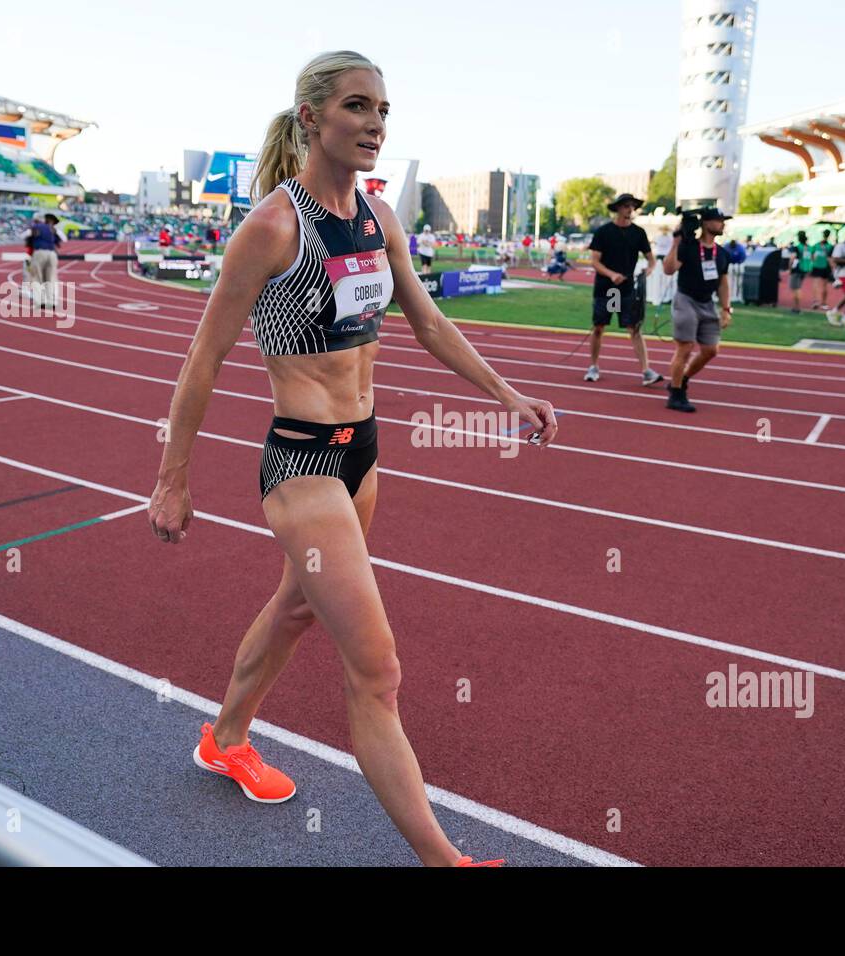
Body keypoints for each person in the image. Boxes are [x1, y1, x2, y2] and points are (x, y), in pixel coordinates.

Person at [146, 50, 555, 868]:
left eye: (383, 111)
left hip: (362, 456)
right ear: (312, 119)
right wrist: (172, 478)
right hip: (301, 465)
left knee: (298, 609)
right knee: (378, 670)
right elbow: (204, 359)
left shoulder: (378, 215)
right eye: (358, 108)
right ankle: (445, 861)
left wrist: (508, 396)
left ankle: (224, 737)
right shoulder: (272, 227)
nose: (375, 125)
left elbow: (430, 325)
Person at [584, 192, 661, 385]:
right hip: (608, 289)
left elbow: (652, 260)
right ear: (618, 208)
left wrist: (648, 270)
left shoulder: (638, 233)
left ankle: (646, 371)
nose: (630, 209)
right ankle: (593, 366)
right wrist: (611, 275)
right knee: (600, 327)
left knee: (634, 328)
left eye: (632, 206)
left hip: (627, 288)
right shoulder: (604, 232)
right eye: (626, 206)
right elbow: (595, 261)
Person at [662, 207, 732, 412]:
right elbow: (668, 269)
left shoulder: (722, 253)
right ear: (706, 223)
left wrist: (726, 308)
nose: (723, 224)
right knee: (685, 347)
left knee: (711, 350)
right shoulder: (688, 246)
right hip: (686, 300)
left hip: (707, 303)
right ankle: (676, 395)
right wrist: (677, 240)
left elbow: (723, 283)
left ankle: (681, 379)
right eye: (719, 220)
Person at [23, 212, 63, 307]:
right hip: (52, 254)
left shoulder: (35, 227)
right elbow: (63, 239)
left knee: (37, 278)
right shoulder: (52, 229)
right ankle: (53, 301)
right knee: (51, 278)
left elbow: (24, 236)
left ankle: (40, 301)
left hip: (39, 253)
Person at [787, 230, 812, 314]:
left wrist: (789, 269)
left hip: (797, 270)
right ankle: (796, 307)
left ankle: (796, 308)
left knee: (796, 289)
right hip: (804, 270)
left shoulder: (797, 247)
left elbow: (792, 258)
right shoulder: (808, 247)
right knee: (798, 288)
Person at [808, 228, 833, 310]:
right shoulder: (830, 246)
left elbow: (811, 256)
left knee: (816, 284)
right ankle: (824, 303)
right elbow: (831, 258)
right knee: (825, 285)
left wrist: (814, 261)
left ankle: (815, 301)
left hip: (816, 266)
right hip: (826, 267)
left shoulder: (816, 245)